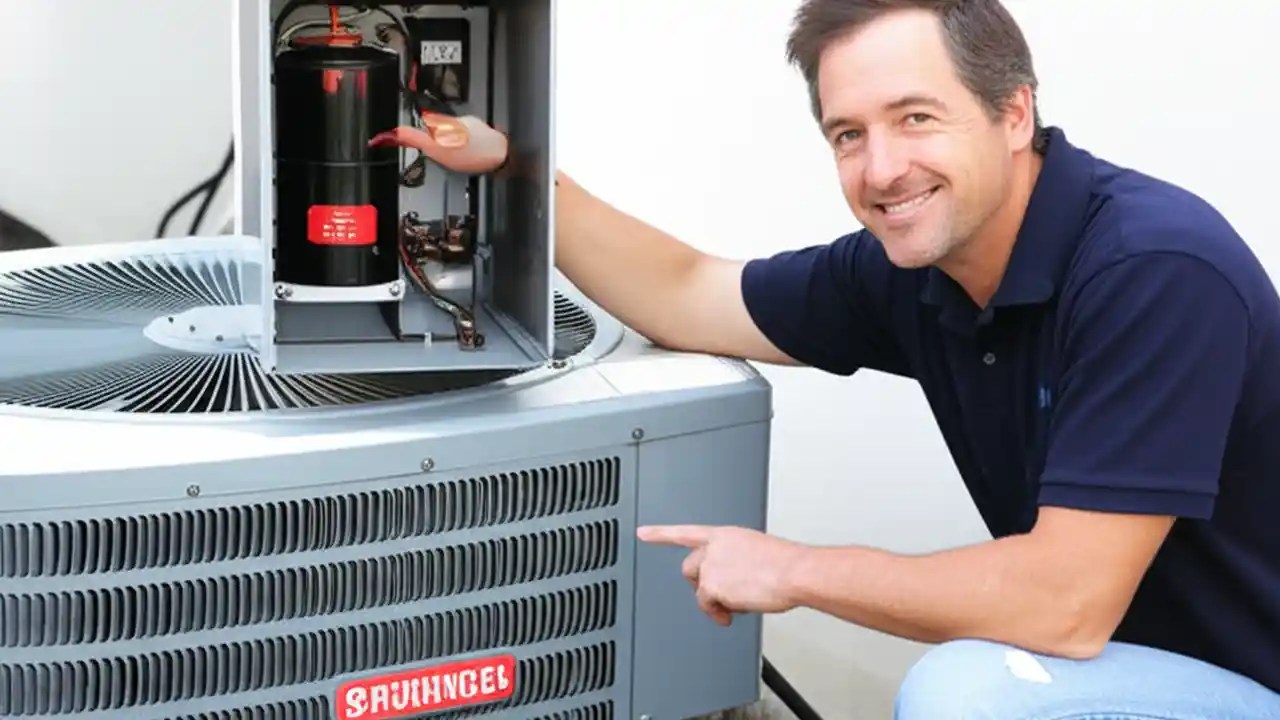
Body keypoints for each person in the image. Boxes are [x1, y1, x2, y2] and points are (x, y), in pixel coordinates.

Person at [369, 0, 1280, 716]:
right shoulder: (915, 266)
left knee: (968, 697)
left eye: (915, 117)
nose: (882, 170)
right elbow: (691, 291)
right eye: (849, 135)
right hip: (1139, 670)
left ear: (1014, 112)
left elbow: (1061, 605)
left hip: (1250, 682)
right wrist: (516, 170)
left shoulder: (1154, 270)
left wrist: (794, 569)